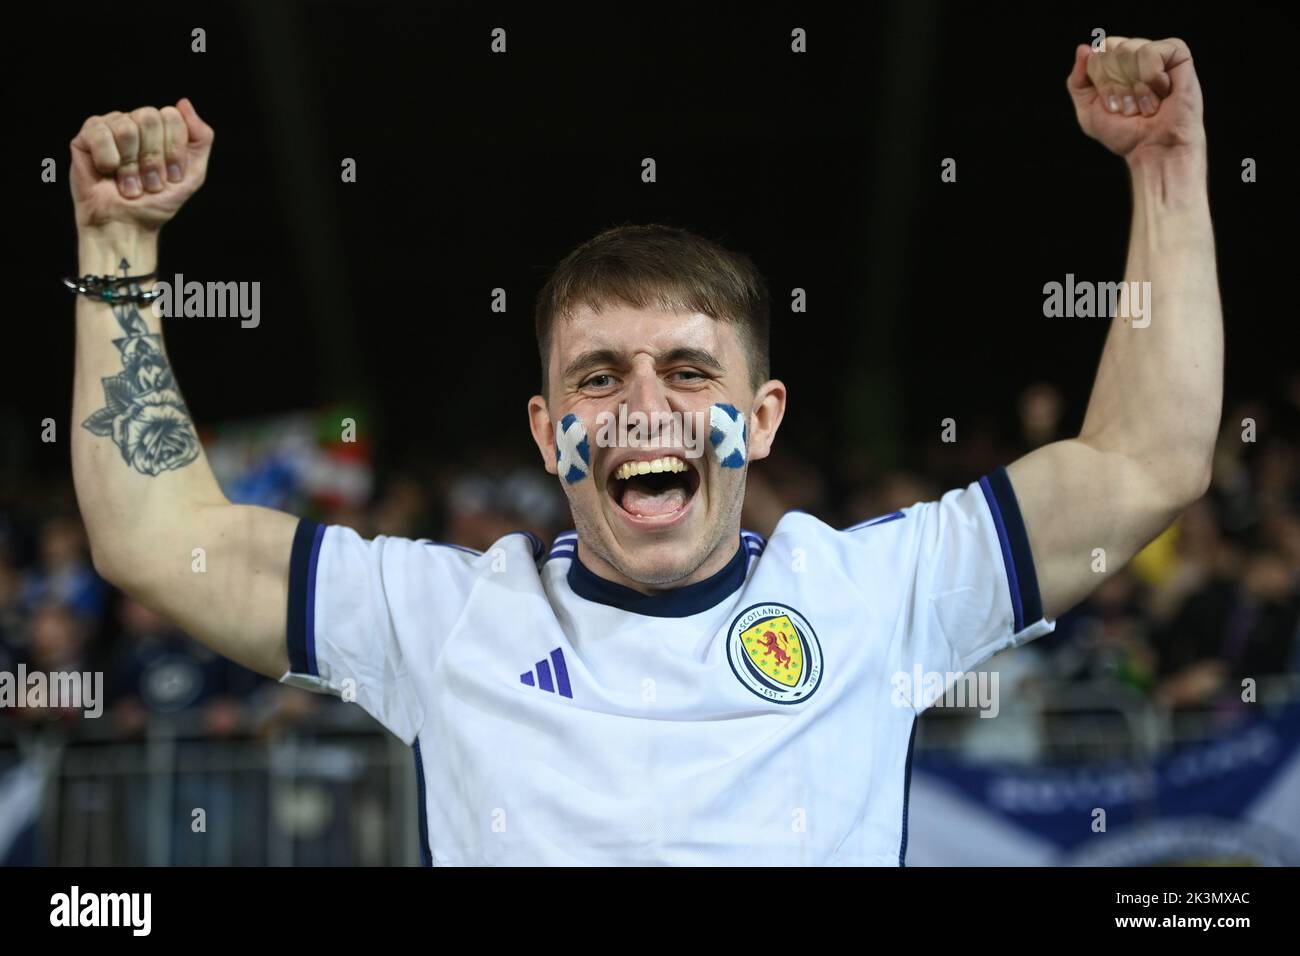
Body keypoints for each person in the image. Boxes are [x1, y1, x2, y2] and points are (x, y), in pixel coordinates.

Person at [66, 36, 1222, 865]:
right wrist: (118, 250)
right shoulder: (448, 616)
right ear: (547, 432)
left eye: (687, 369)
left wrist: (1163, 171)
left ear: (760, 418)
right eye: (597, 375)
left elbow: (1144, 463)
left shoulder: (875, 591)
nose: (641, 410)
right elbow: (157, 538)